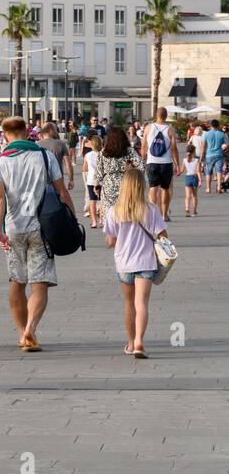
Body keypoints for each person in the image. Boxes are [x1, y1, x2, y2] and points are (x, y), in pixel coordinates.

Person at [0, 116, 75, 353]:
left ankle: (22, 333)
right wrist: (72, 217)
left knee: (17, 282)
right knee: (40, 284)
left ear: (5, 135)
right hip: (42, 227)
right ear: (27, 132)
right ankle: (31, 327)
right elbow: (61, 192)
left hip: (13, 228)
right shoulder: (45, 156)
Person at [103, 167, 170, 359]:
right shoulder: (151, 209)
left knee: (129, 303)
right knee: (142, 303)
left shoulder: (114, 211)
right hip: (146, 262)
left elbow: (110, 241)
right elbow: (163, 236)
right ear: (142, 186)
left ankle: (131, 342)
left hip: (124, 262)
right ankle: (140, 340)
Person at [96, 125, 143, 218]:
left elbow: (99, 174)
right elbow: (141, 166)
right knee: (125, 214)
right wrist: (132, 175)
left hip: (108, 185)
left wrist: (97, 184)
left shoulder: (102, 153)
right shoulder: (129, 151)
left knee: (109, 215)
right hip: (125, 183)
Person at [140, 107, 179, 220]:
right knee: (165, 188)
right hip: (166, 163)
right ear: (166, 116)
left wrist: (143, 160)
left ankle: (153, 214)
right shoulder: (170, 129)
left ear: (156, 115)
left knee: (152, 187)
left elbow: (143, 146)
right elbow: (174, 148)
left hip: (152, 162)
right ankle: (164, 214)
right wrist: (177, 164)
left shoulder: (148, 127)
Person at [38, 122, 74, 192]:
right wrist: (71, 180)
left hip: (41, 181)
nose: (56, 131)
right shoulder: (60, 144)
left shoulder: (36, 145)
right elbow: (67, 163)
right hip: (58, 180)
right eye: (55, 129)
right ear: (51, 131)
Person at [82, 134, 103, 228]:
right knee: (102, 201)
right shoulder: (104, 154)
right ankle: (102, 220)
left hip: (91, 180)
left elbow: (85, 168)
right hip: (102, 180)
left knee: (92, 201)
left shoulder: (88, 155)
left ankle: (94, 222)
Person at [203, 118, 227, 194]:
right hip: (219, 154)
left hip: (209, 154)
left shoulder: (206, 134)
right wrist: (225, 149)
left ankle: (208, 188)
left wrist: (202, 155)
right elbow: (227, 143)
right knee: (219, 171)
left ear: (211, 125)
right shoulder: (222, 134)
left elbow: (203, 146)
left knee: (208, 172)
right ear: (218, 125)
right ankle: (219, 187)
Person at [182, 142, 201, 217]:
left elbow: (182, 170)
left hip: (187, 177)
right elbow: (198, 171)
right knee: (194, 196)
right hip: (194, 178)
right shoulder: (197, 160)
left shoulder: (184, 160)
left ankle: (187, 208)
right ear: (194, 152)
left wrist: (177, 172)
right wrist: (200, 181)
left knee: (187, 196)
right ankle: (194, 211)